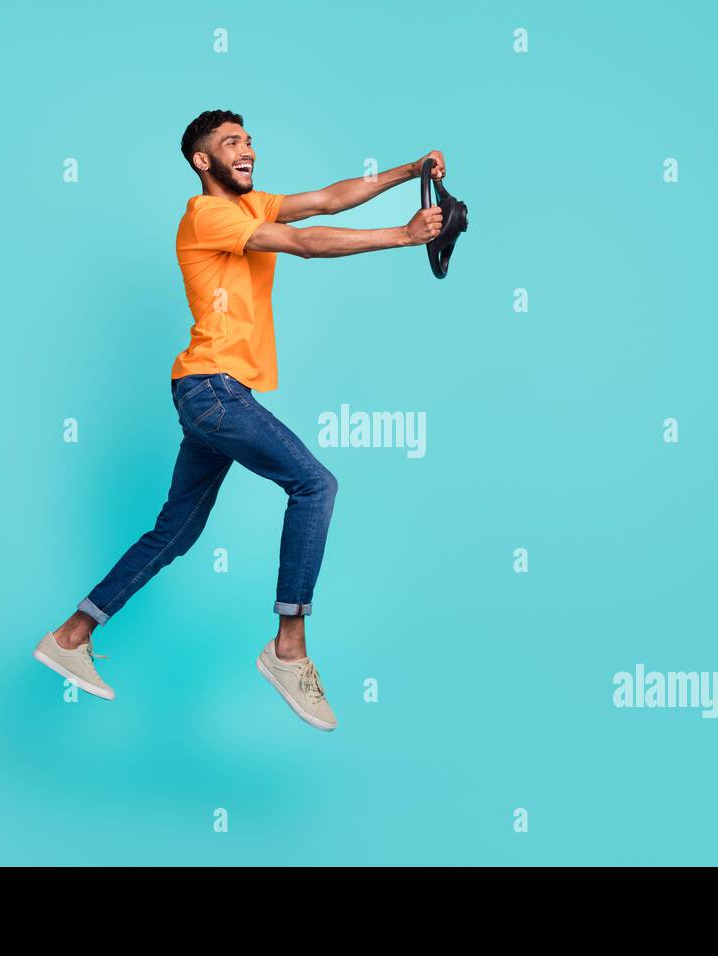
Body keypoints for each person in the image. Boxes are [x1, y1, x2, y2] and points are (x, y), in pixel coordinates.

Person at [34, 109, 446, 731]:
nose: (247, 150)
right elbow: (306, 244)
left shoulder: (254, 205)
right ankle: (289, 647)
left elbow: (332, 201)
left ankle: (70, 636)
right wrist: (402, 236)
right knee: (315, 484)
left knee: (175, 533)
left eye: (250, 141)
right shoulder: (211, 216)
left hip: (213, 395)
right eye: (232, 143)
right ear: (203, 161)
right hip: (215, 393)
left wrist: (409, 171)